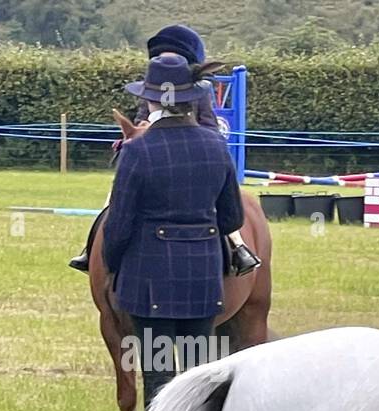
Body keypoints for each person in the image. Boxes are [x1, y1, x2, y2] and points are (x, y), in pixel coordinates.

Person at [101, 54, 245, 411]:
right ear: (191, 100)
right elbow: (231, 218)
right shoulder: (216, 146)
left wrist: (114, 265)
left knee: (159, 378)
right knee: (198, 378)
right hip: (202, 282)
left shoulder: (137, 151)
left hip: (148, 283)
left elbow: (118, 226)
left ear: (150, 100)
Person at [70, 24, 259, 277]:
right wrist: (141, 130)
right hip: (155, 154)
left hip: (194, 158)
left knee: (218, 201)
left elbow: (209, 125)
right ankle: (91, 247)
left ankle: (238, 247)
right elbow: (140, 118)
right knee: (113, 195)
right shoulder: (152, 88)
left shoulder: (199, 91)